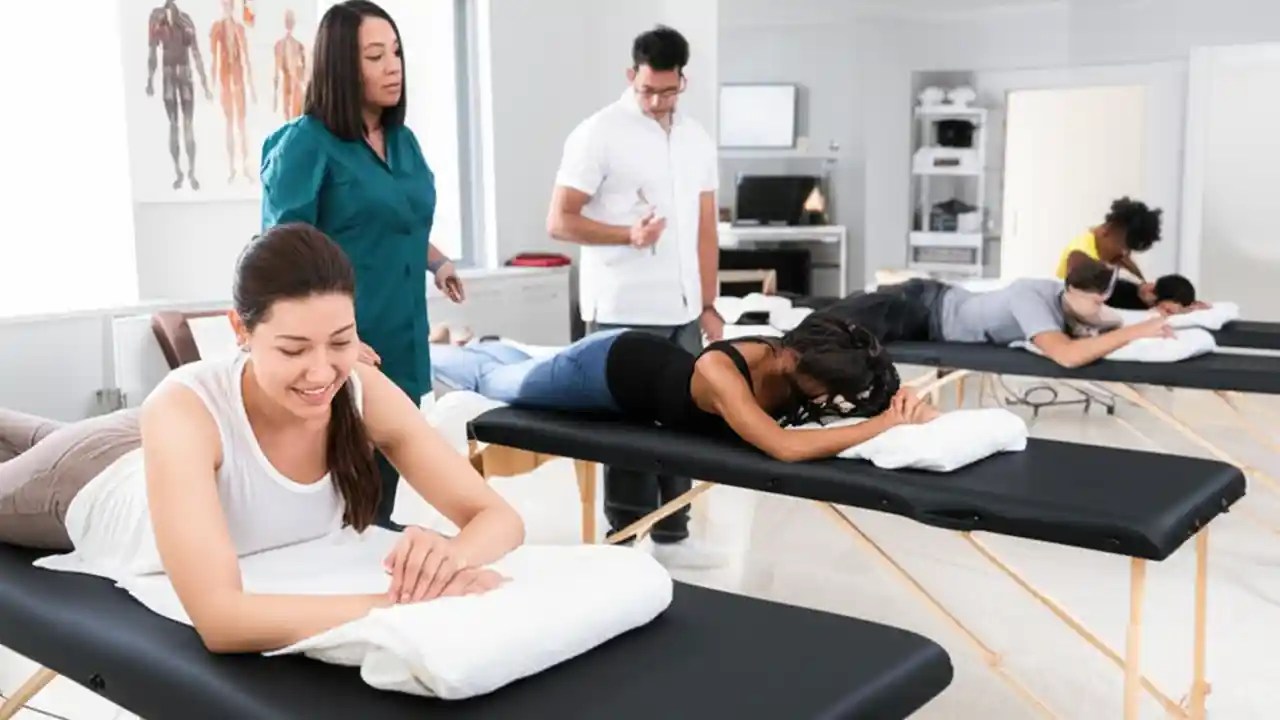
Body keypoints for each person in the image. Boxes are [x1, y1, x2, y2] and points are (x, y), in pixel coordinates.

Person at [0, 223, 524, 654]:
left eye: (341, 341)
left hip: (165, 450)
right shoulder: (183, 407)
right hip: (90, 479)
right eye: (294, 350)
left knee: (36, 433)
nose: (322, 372)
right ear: (240, 331)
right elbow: (222, 620)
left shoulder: (363, 391)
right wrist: (403, 604)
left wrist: (448, 561)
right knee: (36, 458)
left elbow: (499, 519)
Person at [260, 0, 463, 528]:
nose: (393, 66)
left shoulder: (403, 142)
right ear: (341, 67)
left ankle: (377, 588)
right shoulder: (306, 144)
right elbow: (282, 259)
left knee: (381, 492)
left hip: (401, 338)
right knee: (339, 501)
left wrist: (437, 261)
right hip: (338, 351)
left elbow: (397, 221)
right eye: (375, 56)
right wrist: (337, 344)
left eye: (395, 52)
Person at [545, 26, 723, 565]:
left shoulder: (696, 139)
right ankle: (624, 542)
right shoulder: (598, 133)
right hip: (622, 308)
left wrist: (710, 304)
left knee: (686, 421)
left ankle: (675, 536)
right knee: (627, 433)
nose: (656, 101)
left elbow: (705, 226)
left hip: (684, 310)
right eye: (648, 90)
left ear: (683, 81)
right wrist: (628, 235)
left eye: (668, 92)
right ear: (632, 75)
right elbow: (559, 221)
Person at [433, 312, 939, 470]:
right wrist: (885, 423)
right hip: (604, 371)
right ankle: (434, 349)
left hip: (635, 361)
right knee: (496, 384)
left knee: (527, 363)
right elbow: (784, 447)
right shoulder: (725, 372)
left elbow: (861, 392)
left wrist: (904, 405)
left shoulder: (810, 364)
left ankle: (480, 341)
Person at [824, 258, 1175, 369]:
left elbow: (1108, 319)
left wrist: (1160, 318)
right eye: (1098, 301)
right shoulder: (1032, 297)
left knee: (849, 310)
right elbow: (1066, 356)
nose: (1102, 307)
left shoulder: (1071, 300)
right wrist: (1134, 332)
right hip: (920, 308)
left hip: (941, 304)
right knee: (832, 325)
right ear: (1072, 290)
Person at [147, 0, 213, 191]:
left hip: (184, 74)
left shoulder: (185, 21)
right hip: (169, 75)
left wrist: (204, 82)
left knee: (187, 125)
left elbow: (196, 53)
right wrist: (150, 79)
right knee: (174, 124)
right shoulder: (156, 20)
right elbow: (152, 50)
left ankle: (190, 171)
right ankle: (179, 171)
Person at [1054, 196, 1163, 301]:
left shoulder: (1101, 241)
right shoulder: (1080, 255)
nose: (1125, 253)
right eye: (1121, 245)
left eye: (1129, 249)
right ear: (1107, 229)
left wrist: (1142, 284)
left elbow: (1124, 261)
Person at [209, 0, 256, 183]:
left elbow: (245, 57)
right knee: (230, 123)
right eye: (225, 4)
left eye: (230, 4)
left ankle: (244, 166)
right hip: (225, 79)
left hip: (238, 79)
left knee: (241, 124)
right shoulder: (217, 28)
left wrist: (250, 85)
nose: (228, 7)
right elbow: (214, 58)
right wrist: (211, 85)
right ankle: (231, 167)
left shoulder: (239, 29)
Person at [273, 9, 308, 121]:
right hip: (287, 83)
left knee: (295, 116)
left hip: (297, 85)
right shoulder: (279, 45)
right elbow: (276, 72)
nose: (289, 23)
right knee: (287, 116)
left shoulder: (299, 46)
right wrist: (274, 96)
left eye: (290, 21)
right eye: (287, 21)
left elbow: (304, 71)